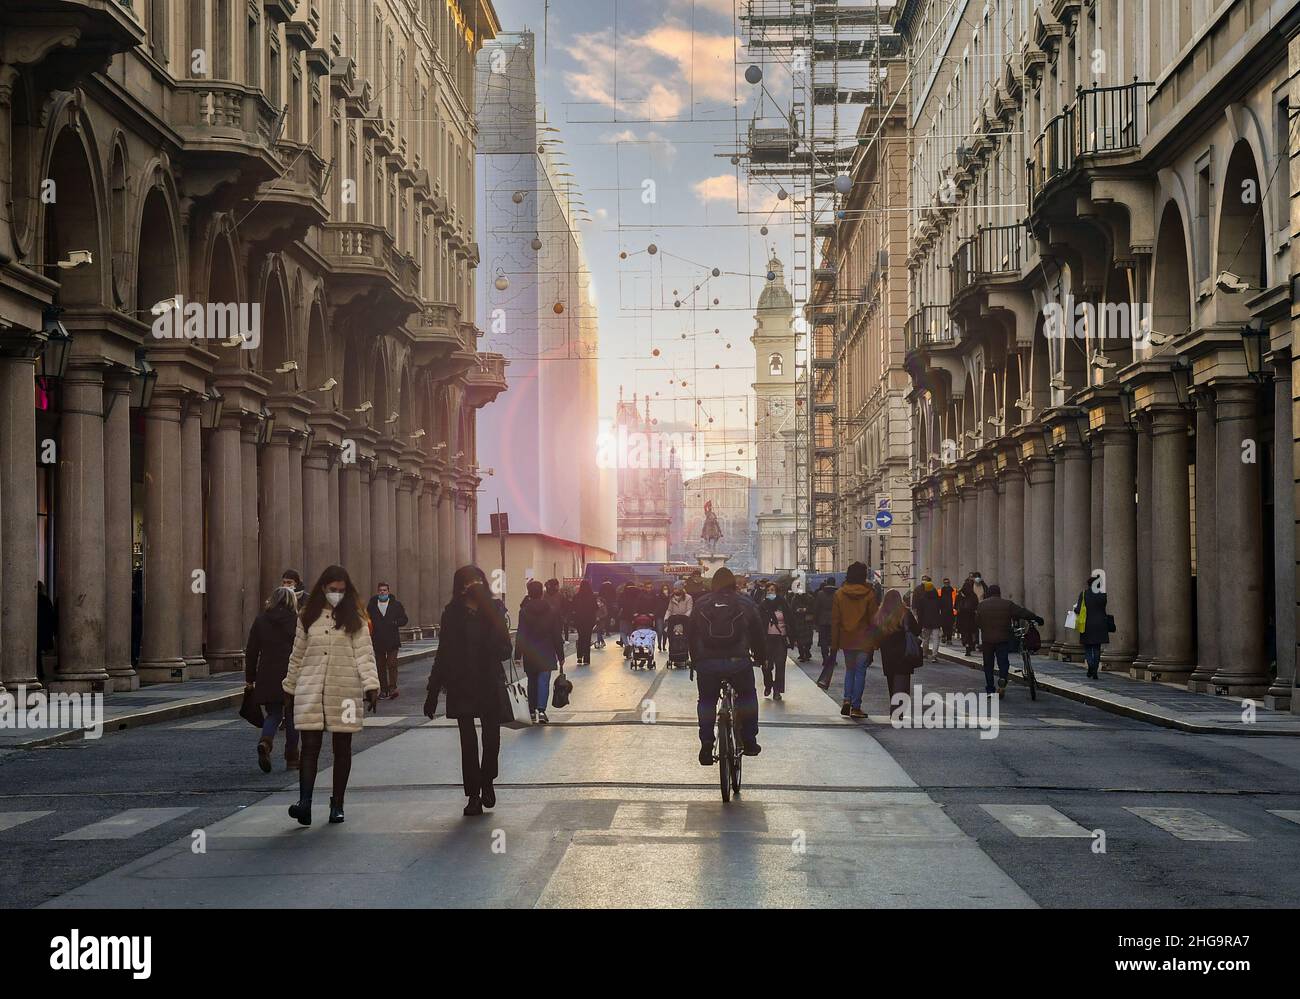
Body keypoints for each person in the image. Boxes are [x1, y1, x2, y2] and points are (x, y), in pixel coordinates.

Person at [283, 565, 380, 826]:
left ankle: (337, 804)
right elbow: (297, 654)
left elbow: (364, 655)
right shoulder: (307, 617)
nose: (336, 594)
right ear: (323, 588)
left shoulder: (356, 619)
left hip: (345, 689)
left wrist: (371, 685)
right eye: (332, 590)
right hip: (311, 686)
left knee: (342, 749)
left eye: (341, 590)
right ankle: (304, 803)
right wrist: (289, 687)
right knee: (310, 748)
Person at [425, 565, 513, 816]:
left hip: (488, 682)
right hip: (461, 683)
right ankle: (473, 794)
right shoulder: (452, 613)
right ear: (459, 588)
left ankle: (487, 780)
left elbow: (506, 650)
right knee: (468, 742)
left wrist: (489, 623)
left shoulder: (494, 610)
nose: (472, 586)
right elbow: (443, 653)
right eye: (466, 582)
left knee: (491, 740)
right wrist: (433, 692)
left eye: (476, 581)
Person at [689, 567, 766, 764]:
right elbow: (758, 633)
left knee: (706, 701)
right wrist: (761, 657)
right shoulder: (745, 602)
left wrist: (696, 660)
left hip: (708, 664)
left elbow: (692, 634)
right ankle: (749, 740)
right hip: (737, 662)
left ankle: (706, 743)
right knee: (748, 695)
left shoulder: (701, 603)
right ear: (734, 583)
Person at [245, 586, 301, 773]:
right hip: (292, 672)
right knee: (293, 716)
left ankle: (265, 743)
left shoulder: (261, 620)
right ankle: (292, 758)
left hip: (267, 674)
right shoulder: (297, 621)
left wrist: (249, 678)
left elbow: (252, 651)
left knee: (274, 714)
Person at [830, 561, 881, 719]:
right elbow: (874, 620)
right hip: (864, 640)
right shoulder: (870, 594)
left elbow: (835, 621)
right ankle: (856, 706)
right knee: (860, 672)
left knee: (850, 671)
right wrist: (876, 642)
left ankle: (846, 699)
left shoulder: (839, 594)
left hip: (847, 639)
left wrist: (834, 643)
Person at [975, 584, 1043, 696]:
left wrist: (985, 629)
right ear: (999, 593)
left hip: (987, 639)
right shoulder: (1007, 604)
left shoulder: (981, 605)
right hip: (1002, 638)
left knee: (988, 664)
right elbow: (1023, 612)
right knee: (1003, 662)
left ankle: (990, 689)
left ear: (988, 593)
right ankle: (1002, 679)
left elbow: (977, 622)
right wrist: (1037, 618)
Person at [515, 579, 564, 722]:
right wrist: (560, 655)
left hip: (530, 652)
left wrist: (518, 655)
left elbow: (521, 633)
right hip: (547, 651)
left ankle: (531, 710)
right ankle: (541, 711)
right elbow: (556, 634)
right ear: (541, 594)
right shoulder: (551, 611)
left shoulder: (524, 612)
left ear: (529, 594)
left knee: (532, 681)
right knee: (543, 681)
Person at [875, 588, 922, 708]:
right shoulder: (905, 612)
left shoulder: (881, 613)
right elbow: (916, 631)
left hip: (887, 654)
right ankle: (898, 709)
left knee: (891, 681)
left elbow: (877, 634)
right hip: (904, 652)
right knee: (903, 682)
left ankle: (894, 705)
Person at [366, 581, 409, 700]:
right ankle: (383, 689)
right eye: (380, 590)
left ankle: (393, 688)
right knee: (380, 665)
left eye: (384, 590)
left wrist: (395, 623)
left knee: (392, 663)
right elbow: (366, 619)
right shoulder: (372, 605)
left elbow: (404, 619)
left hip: (392, 640)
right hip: (378, 639)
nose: (382, 592)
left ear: (388, 592)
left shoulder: (396, 605)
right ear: (377, 592)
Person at [759, 582, 794, 700]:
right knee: (767, 666)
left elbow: (790, 620)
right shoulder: (763, 605)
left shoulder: (783, 604)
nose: (770, 592)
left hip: (780, 638)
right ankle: (768, 685)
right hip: (767, 639)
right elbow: (758, 622)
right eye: (768, 590)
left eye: (772, 590)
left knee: (780, 665)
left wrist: (792, 636)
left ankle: (777, 690)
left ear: (776, 591)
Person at [1073, 574, 1110, 679]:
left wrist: (1075, 610)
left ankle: (1091, 666)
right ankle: (1095, 668)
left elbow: (1079, 609)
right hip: (1100, 624)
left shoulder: (1084, 594)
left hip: (1087, 624)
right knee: (1097, 648)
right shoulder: (1103, 595)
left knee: (1088, 648)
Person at [813, 577, 838, 686]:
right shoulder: (837, 594)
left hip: (823, 620)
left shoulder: (820, 594)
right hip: (834, 620)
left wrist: (816, 620)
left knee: (823, 640)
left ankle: (825, 657)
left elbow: (816, 608)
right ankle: (832, 659)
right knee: (833, 640)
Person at [912, 575, 943, 662]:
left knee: (926, 639)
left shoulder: (922, 599)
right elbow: (940, 610)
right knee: (936, 639)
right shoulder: (937, 598)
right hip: (936, 621)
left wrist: (920, 623)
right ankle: (934, 655)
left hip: (926, 621)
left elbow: (920, 612)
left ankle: (924, 654)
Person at [570, 579, 599, 665]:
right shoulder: (592, 596)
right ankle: (586, 658)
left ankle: (579, 656)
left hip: (579, 620)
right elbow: (596, 608)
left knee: (581, 637)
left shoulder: (576, 596)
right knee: (587, 638)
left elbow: (573, 608)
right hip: (589, 620)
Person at [788, 588, 815, 662]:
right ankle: (802, 653)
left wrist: (806, 609)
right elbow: (792, 608)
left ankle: (806, 651)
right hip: (798, 620)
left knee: (808, 638)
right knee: (799, 638)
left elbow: (814, 608)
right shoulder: (794, 598)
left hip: (807, 620)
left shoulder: (810, 598)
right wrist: (797, 609)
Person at [36, 581, 56, 683]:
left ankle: (40, 674)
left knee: (37, 654)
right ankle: (40, 675)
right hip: (42, 632)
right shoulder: (45, 600)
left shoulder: (39, 600)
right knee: (37, 654)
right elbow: (51, 618)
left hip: (37, 632)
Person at [955, 576, 980, 655]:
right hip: (971, 617)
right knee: (970, 632)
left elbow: (955, 606)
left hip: (962, 617)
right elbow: (977, 605)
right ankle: (971, 645)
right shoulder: (973, 595)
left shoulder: (959, 595)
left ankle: (967, 645)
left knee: (964, 633)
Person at [653, 583, 671, 651]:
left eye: (666, 589)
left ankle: (664, 645)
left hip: (667, 616)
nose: (665, 590)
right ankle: (659, 644)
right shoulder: (658, 597)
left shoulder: (670, 597)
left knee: (665, 631)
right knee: (660, 631)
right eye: (664, 589)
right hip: (659, 616)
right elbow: (656, 606)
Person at [938, 577, 956, 644]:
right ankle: (944, 635)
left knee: (950, 626)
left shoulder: (953, 591)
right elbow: (938, 601)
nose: (946, 584)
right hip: (943, 611)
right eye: (945, 583)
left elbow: (956, 600)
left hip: (951, 611)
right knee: (944, 625)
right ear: (943, 583)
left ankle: (949, 639)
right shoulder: (940, 591)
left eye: (947, 583)